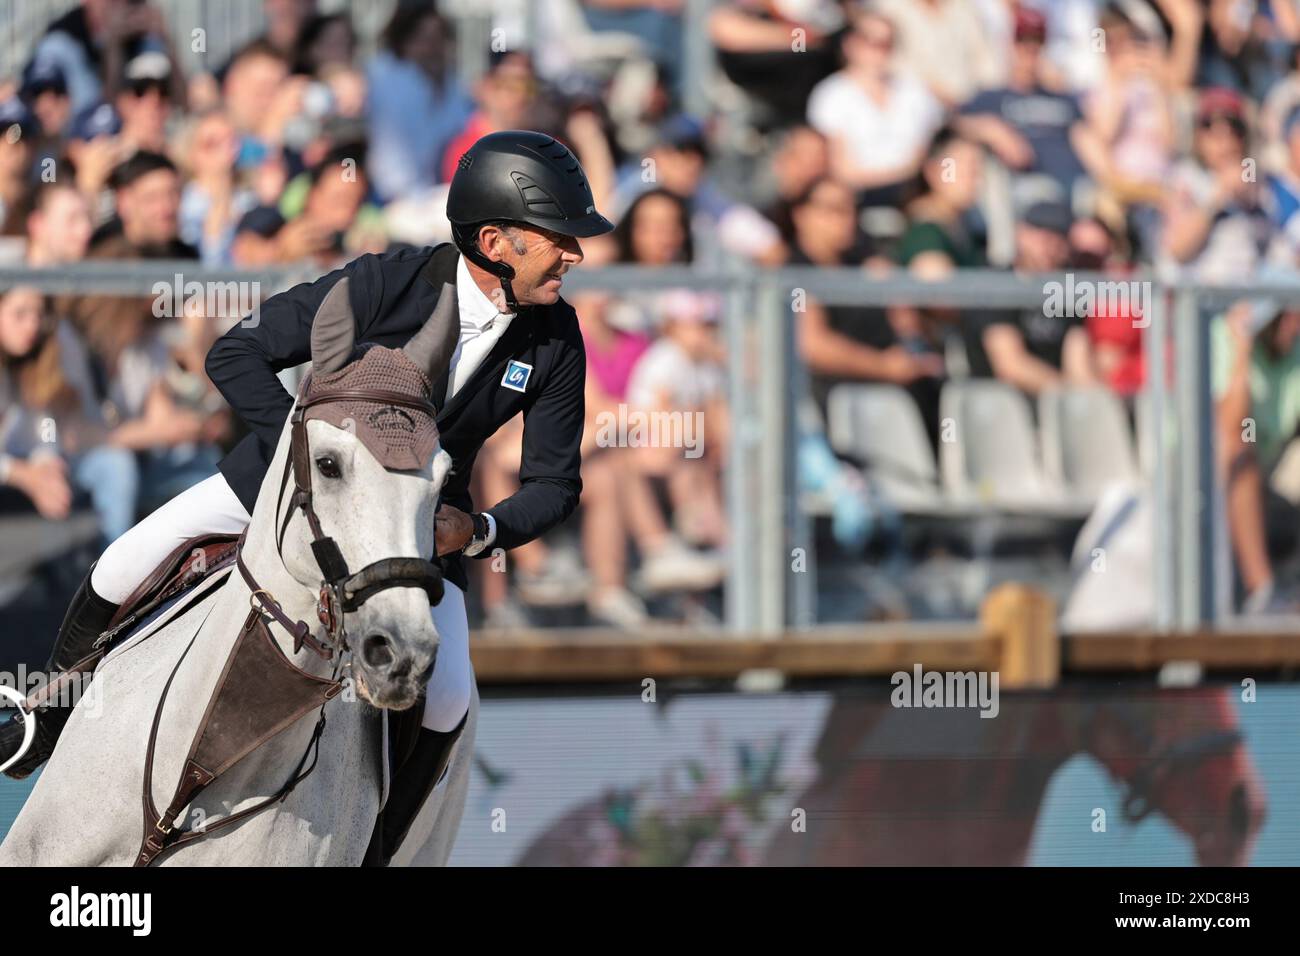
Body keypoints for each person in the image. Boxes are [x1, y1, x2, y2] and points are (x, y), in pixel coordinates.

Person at [0, 129, 612, 867]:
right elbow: (237, 352)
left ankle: (378, 844)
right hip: (284, 485)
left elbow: (553, 484)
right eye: (559, 238)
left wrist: (476, 529)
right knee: (123, 561)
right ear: (494, 240)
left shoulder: (555, 339)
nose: (575, 253)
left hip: (409, 533)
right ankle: (50, 716)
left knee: (449, 697)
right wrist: (300, 459)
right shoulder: (387, 284)